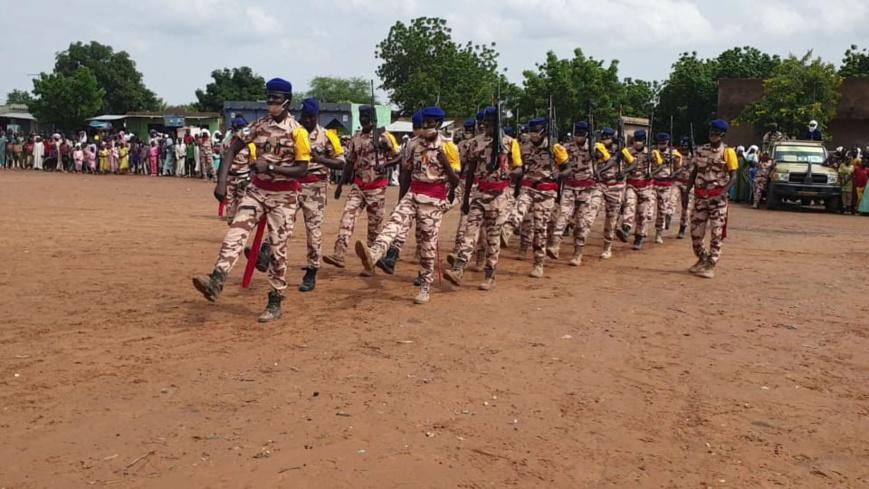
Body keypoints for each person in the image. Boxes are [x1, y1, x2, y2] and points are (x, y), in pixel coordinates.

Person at [192, 77, 311, 322]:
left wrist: (272, 167)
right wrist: (222, 181)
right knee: (235, 231)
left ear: (287, 101)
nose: (271, 102)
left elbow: (303, 169)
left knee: (278, 250)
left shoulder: (297, 132)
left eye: (275, 98)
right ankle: (217, 279)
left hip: (284, 195)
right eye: (268, 97)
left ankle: (275, 300)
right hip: (256, 190)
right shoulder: (258, 125)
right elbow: (233, 147)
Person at [355, 106, 460, 304]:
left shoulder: (449, 147)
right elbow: (406, 170)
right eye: (424, 123)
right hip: (414, 193)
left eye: (430, 123)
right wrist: (402, 198)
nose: (426, 126)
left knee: (427, 246)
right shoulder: (413, 144)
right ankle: (374, 253)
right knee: (394, 222)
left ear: (438, 124)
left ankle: (425, 286)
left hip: (433, 200)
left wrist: (444, 161)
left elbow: (455, 181)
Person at [443, 105, 522, 289]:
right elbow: (469, 171)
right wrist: (465, 199)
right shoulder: (475, 143)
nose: (486, 125)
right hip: (479, 194)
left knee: (493, 238)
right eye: (485, 121)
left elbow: (519, 167)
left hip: (499, 196)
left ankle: (490, 276)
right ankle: (459, 269)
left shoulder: (510, 143)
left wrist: (509, 173)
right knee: (470, 233)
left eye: (490, 122)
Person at [322, 105, 399, 269]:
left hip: (377, 188)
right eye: (361, 116)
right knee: (347, 218)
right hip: (358, 186)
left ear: (374, 117)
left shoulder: (384, 137)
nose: (364, 119)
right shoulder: (355, 138)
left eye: (367, 116)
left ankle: (372, 263)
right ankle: (339, 254)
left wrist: (385, 165)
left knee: (374, 229)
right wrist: (340, 185)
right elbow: (349, 163)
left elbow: (399, 157)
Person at [500, 117, 568, 277]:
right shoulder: (525, 147)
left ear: (543, 131)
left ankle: (538, 264)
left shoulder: (555, 148)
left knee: (540, 228)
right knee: (518, 210)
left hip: (546, 192)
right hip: (528, 187)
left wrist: (558, 175)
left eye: (535, 131)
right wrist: (516, 187)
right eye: (531, 131)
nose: (532, 134)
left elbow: (567, 169)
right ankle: (506, 232)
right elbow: (521, 168)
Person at [292, 98, 346, 292]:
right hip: (292, 185)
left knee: (313, 231)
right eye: (303, 117)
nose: (306, 121)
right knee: (281, 222)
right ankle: (267, 254)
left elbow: (341, 163)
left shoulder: (327, 136)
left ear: (317, 117)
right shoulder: (294, 133)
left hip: (315, 187)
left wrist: (319, 159)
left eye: (310, 117)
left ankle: (312, 271)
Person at [684, 119, 739, 279]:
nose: (712, 135)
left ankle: (711, 264)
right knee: (695, 233)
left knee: (716, 233)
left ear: (722, 134)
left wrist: (723, 192)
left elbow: (733, 177)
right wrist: (687, 192)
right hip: (701, 197)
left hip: (717, 199)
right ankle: (702, 258)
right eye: (711, 132)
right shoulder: (700, 150)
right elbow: (694, 173)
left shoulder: (728, 152)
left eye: (716, 133)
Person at [546, 121, 599, 265]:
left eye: (581, 135)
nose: (578, 137)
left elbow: (606, 159)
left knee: (581, 223)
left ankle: (578, 253)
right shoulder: (567, 148)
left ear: (587, 135)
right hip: (570, 187)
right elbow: (560, 163)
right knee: (563, 216)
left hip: (586, 189)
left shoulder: (593, 148)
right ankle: (555, 246)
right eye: (576, 134)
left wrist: (596, 156)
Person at [616, 129, 656, 250]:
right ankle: (626, 228)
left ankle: (638, 237)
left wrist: (652, 171)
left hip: (646, 186)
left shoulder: (651, 153)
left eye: (640, 140)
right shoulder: (628, 151)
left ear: (644, 141)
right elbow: (620, 163)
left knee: (642, 213)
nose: (637, 143)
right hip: (632, 184)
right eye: (636, 140)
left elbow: (659, 167)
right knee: (629, 203)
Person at [594, 127, 625, 258]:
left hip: (616, 186)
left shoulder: (620, 150)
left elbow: (631, 162)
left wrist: (624, 172)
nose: (605, 140)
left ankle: (607, 247)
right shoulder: (597, 149)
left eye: (608, 137)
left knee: (611, 218)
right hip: (600, 184)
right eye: (604, 137)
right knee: (591, 208)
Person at [650, 132, 682, 244]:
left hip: (666, 185)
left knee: (662, 210)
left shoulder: (674, 154)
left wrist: (674, 173)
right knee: (648, 210)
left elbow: (678, 168)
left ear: (668, 142)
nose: (662, 145)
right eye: (660, 143)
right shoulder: (653, 153)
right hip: (653, 183)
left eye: (664, 143)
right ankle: (641, 231)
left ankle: (658, 234)